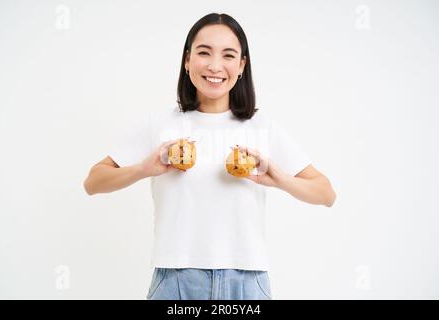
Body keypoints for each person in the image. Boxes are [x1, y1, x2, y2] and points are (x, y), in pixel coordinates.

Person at [83, 13, 336, 300]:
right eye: (204, 53)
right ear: (187, 60)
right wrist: (143, 169)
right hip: (174, 281)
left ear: (241, 65)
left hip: (247, 282)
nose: (216, 66)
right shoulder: (161, 125)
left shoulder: (261, 126)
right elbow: (93, 182)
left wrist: (278, 178)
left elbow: (326, 194)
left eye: (228, 55)